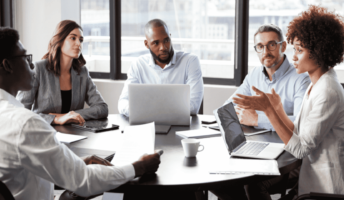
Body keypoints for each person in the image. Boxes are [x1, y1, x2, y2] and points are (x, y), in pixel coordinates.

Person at [0, 27, 161, 200]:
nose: (31, 64)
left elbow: (25, 165)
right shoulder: (24, 123)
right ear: (7, 65)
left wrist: (76, 163)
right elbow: (85, 181)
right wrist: (139, 167)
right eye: (25, 57)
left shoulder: (9, 116)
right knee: (118, 195)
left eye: (81, 39)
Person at [234, 5, 344, 198]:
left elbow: (300, 149)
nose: (293, 57)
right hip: (311, 180)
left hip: (324, 189)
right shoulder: (317, 84)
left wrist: (269, 111)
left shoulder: (328, 91)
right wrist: (278, 110)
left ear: (319, 52)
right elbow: (300, 132)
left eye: (299, 50)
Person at [16, 20, 108, 125]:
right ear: (60, 40)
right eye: (73, 38)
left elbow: (102, 108)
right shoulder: (38, 69)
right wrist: (55, 119)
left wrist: (70, 115)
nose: (78, 44)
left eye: (81, 40)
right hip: (44, 134)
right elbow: (20, 112)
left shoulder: (82, 72)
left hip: (76, 134)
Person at [224, 24, 310, 131]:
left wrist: (257, 120)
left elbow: (300, 124)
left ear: (283, 46)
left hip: (286, 144)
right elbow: (227, 107)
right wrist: (239, 113)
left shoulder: (301, 79)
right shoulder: (254, 74)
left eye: (272, 45)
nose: (265, 52)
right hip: (255, 139)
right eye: (260, 46)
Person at [118, 19, 204, 117]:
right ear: (147, 44)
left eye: (166, 40)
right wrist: (136, 111)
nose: (163, 47)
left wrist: (146, 110)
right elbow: (123, 102)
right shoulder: (138, 65)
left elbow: (193, 106)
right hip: (148, 124)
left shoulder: (190, 61)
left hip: (180, 126)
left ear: (170, 38)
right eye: (156, 43)